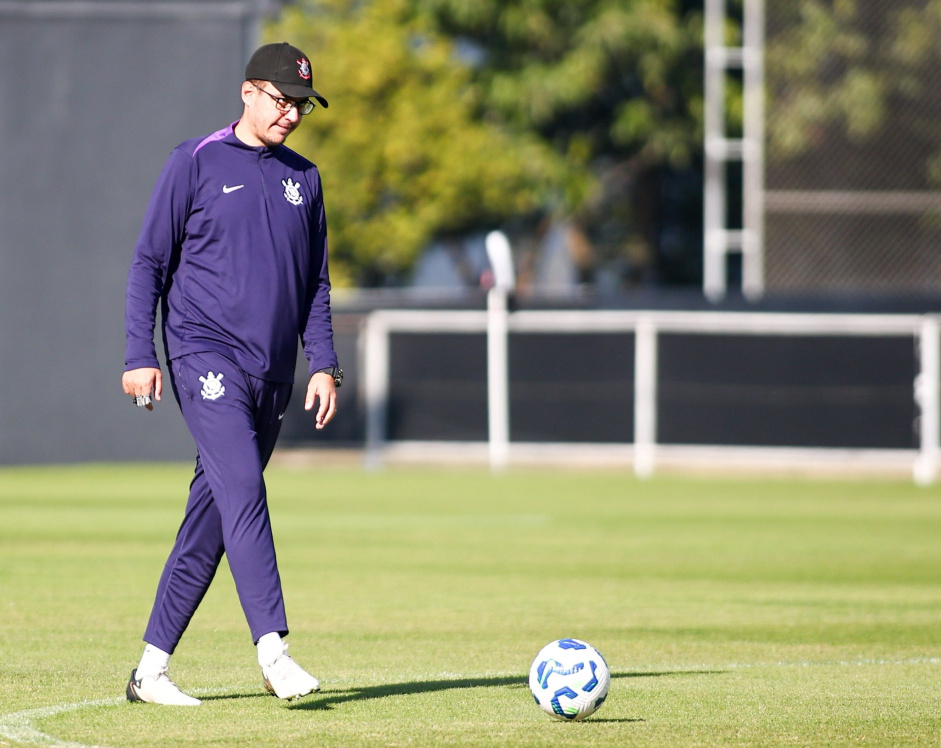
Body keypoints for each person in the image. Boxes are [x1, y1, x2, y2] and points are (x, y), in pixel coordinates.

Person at [121, 41, 342, 706]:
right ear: (247, 92)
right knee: (243, 486)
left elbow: (316, 286)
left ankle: (149, 671)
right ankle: (272, 650)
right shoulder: (195, 161)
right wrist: (140, 354)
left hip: (271, 375)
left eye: (301, 104)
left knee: (213, 521)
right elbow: (148, 265)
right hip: (202, 355)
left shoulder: (305, 179)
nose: (292, 115)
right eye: (281, 100)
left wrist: (324, 363)